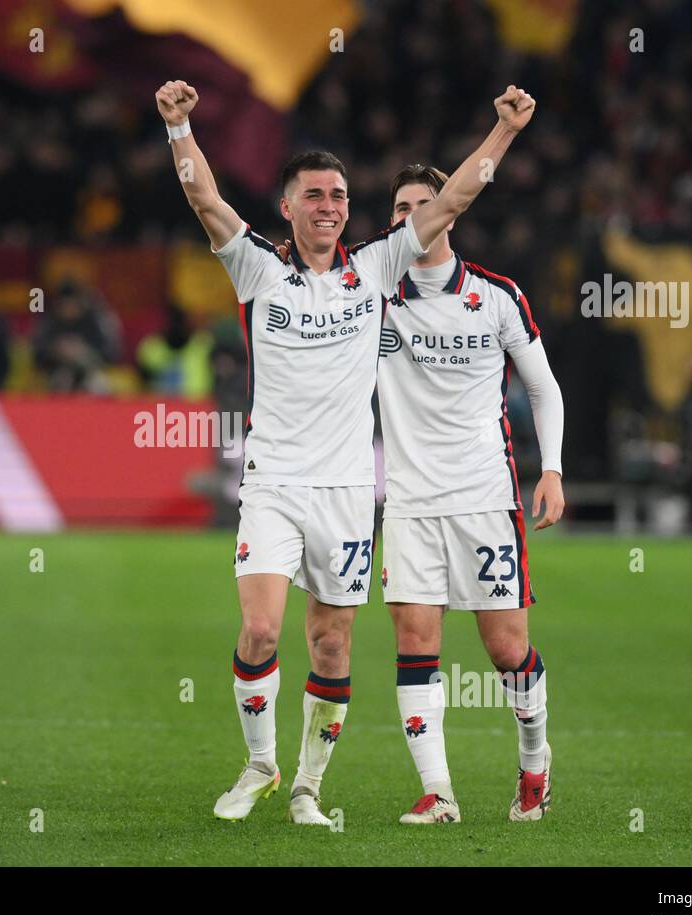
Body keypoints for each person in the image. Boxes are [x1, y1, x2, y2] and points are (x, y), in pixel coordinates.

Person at [156, 78, 536, 825]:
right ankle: (260, 764)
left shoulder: (376, 268)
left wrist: (504, 134)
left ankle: (307, 788)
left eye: (338, 196)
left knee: (331, 645)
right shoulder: (258, 267)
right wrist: (178, 128)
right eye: (314, 195)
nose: (328, 206)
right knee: (261, 628)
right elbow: (205, 200)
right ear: (287, 207)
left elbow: (452, 200)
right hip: (272, 483)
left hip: (349, 491)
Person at [375, 164, 564, 824]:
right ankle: (438, 793)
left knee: (507, 650)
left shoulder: (497, 295)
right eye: (401, 205)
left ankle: (535, 768)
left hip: (486, 500)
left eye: (425, 203)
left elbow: (543, 387)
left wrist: (553, 470)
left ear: (450, 212)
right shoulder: (374, 295)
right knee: (415, 642)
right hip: (408, 503)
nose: (413, 214)